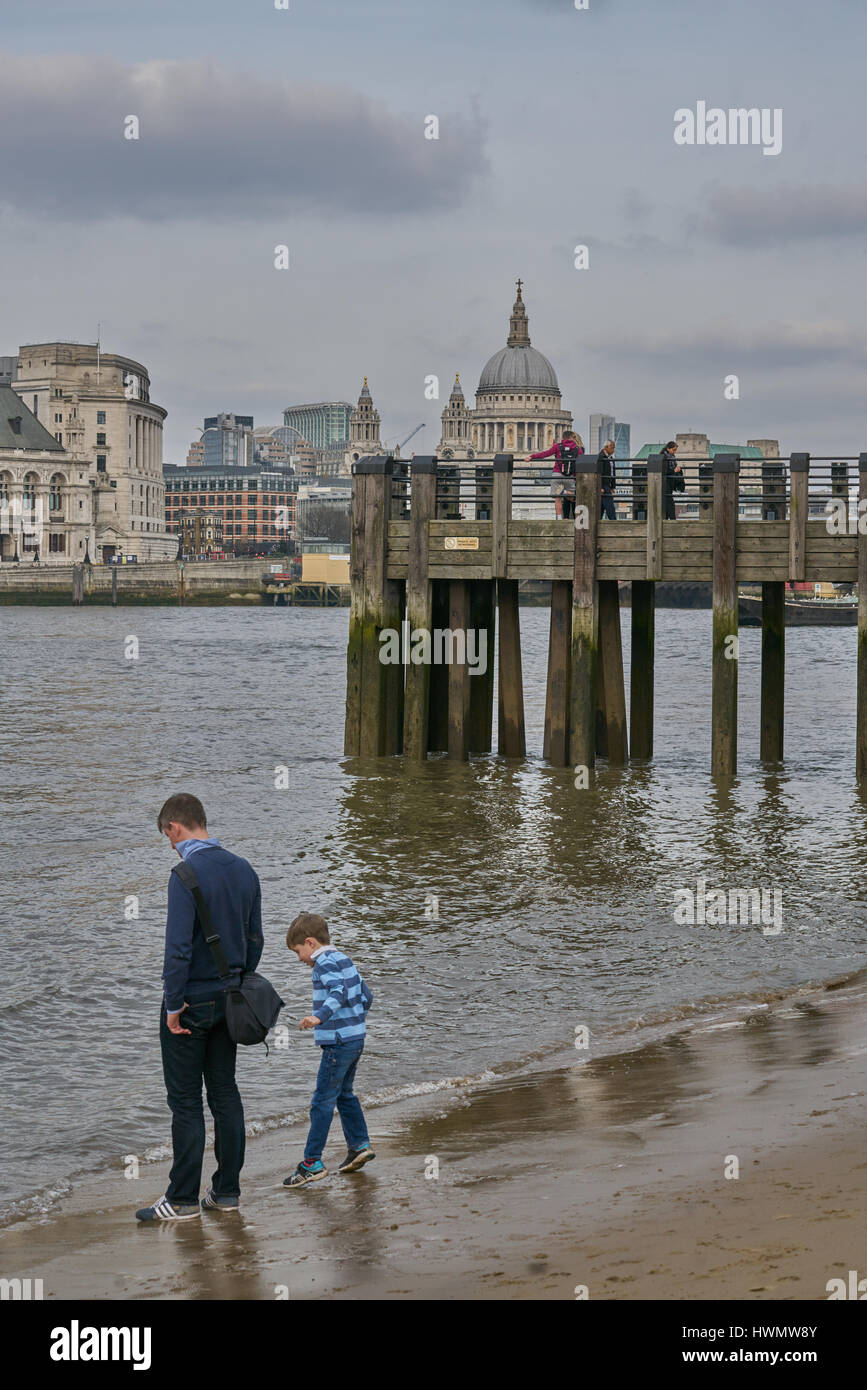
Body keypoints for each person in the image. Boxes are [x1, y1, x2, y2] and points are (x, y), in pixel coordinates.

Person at [135, 793, 263, 1222]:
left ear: (175, 827)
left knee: (186, 1101)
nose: (170, 845)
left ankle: (183, 1198)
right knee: (225, 1092)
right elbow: (255, 940)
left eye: (167, 836)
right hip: (230, 1000)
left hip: (190, 1000)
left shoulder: (184, 873)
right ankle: (226, 1193)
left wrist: (173, 1005)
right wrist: (236, 984)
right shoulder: (245, 870)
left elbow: (176, 951)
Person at [282, 913, 374, 1187]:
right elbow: (365, 996)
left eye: (298, 951)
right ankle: (359, 1146)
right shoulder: (345, 959)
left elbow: (338, 993)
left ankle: (312, 1162)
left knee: (322, 1101)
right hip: (356, 1037)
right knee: (345, 1094)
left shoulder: (323, 963)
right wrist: (355, 1020)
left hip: (338, 1042)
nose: (300, 959)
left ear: (310, 943)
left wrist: (319, 1017)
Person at [528, 430, 584, 520]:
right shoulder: (578, 449)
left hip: (556, 474)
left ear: (563, 438)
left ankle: (559, 518)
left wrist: (531, 457)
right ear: (572, 438)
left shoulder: (557, 446)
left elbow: (544, 454)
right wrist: (576, 476)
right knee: (575, 495)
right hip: (569, 476)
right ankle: (564, 492)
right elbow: (581, 463)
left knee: (557, 498)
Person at [661, 440, 684, 520]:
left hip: (670, 483)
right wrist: (674, 470)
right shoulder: (663, 457)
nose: (674, 452)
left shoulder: (672, 457)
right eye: (673, 450)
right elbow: (664, 471)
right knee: (669, 502)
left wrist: (678, 469)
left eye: (675, 450)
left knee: (668, 502)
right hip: (665, 483)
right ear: (668, 448)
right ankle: (672, 520)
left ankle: (667, 519)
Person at [598, 439, 617, 520]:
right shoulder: (600, 457)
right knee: (609, 506)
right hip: (604, 485)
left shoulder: (611, 458)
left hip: (608, 485)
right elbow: (599, 472)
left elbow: (613, 472)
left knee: (601, 506)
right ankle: (614, 522)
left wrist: (613, 486)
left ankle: (598, 521)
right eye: (612, 448)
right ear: (606, 447)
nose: (613, 450)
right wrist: (600, 486)